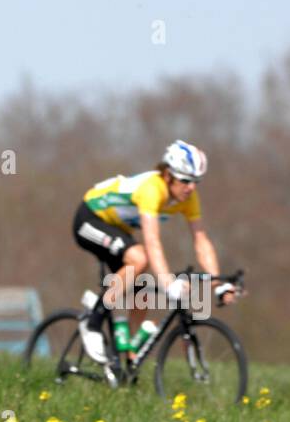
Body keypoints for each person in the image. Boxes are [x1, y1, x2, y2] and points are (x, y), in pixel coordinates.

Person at [74, 139, 238, 364]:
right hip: (91, 218)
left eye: (196, 182)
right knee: (140, 258)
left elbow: (200, 239)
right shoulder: (152, 189)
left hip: (118, 230)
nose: (191, 187)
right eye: (185, 180)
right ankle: (92, 322)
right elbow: (152, 242)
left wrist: (218, 283)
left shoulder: (188, 197)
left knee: (142, 293)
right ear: (168, 175)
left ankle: (127, 361)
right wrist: (169, 284)